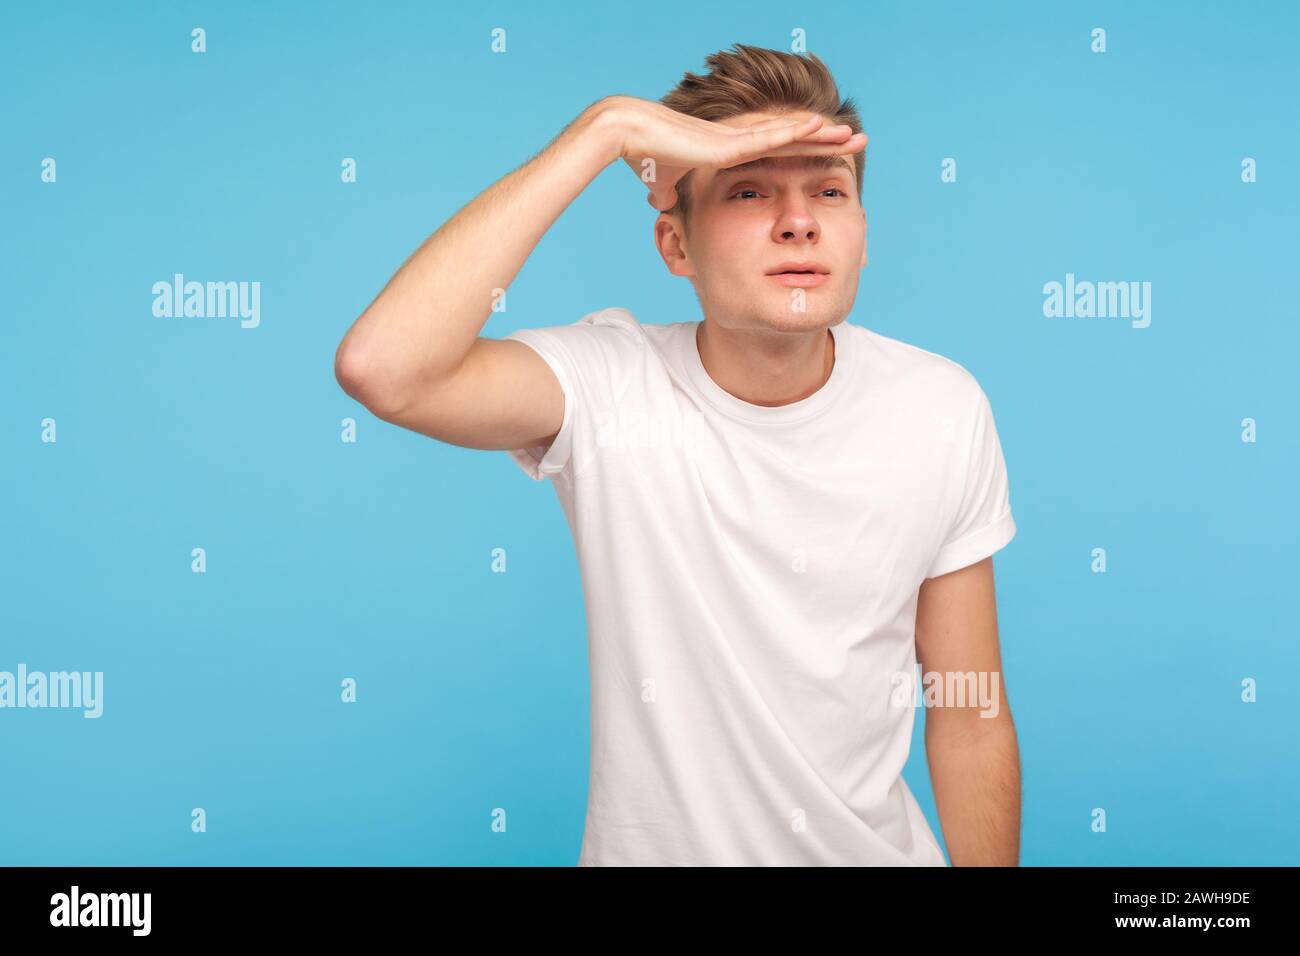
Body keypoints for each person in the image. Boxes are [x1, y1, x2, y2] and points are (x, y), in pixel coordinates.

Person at [334, 43, 1020, 866]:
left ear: (863, 236)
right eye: (748, 189)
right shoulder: (607, 384)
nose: (798, 220)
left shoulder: (940, 406)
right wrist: (603, 131)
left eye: (829, 191)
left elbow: (968, 713)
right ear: (676, 247)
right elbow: (385, 370)